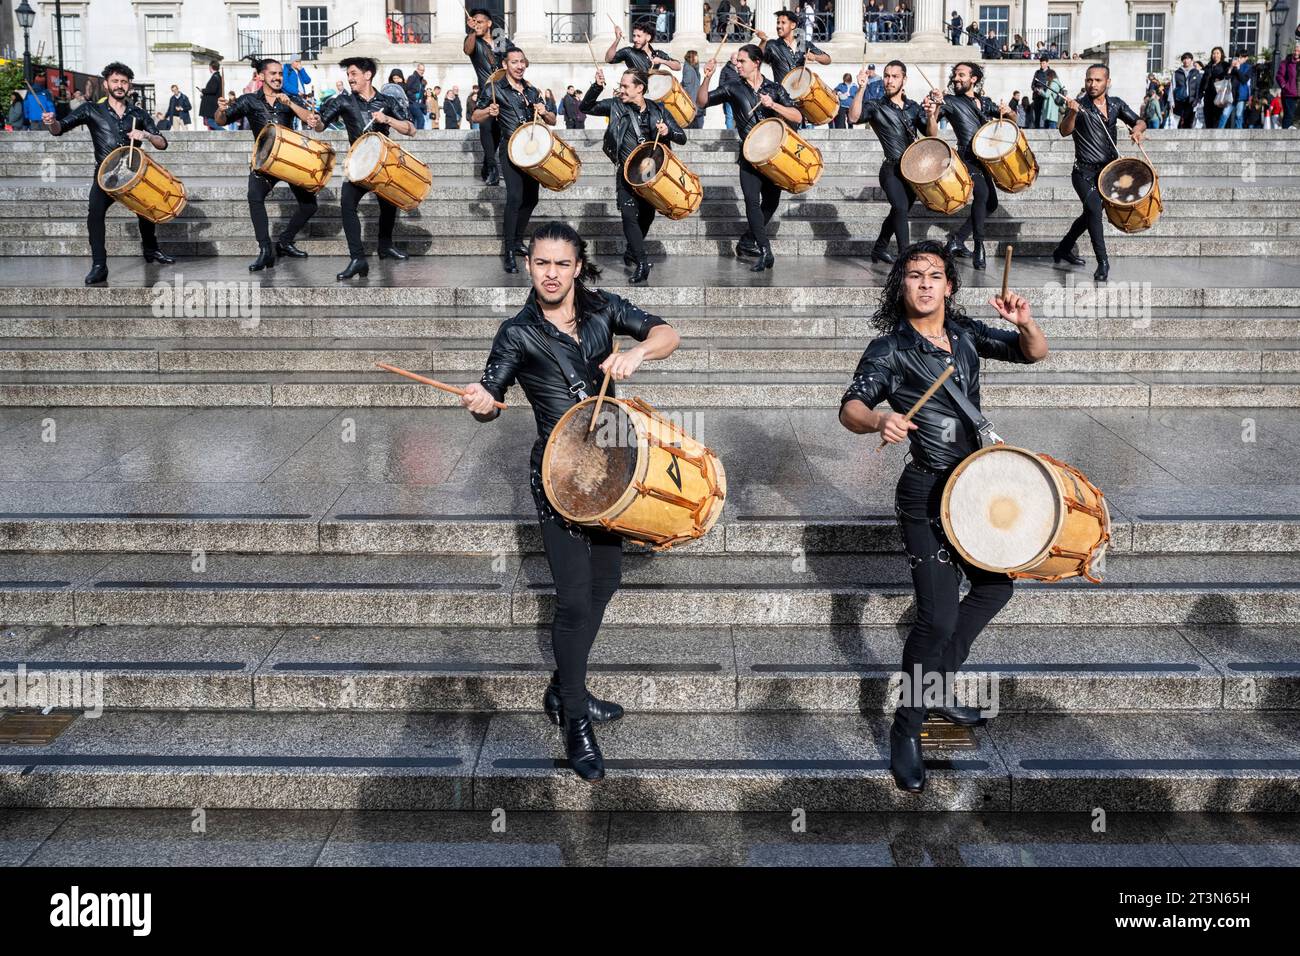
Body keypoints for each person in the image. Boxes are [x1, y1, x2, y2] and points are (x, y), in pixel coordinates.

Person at [460, 220, 681, 782]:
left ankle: (564, 687)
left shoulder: (604, 307)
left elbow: (667, 333)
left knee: (606, 583)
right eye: (541, 263)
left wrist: (639, 356)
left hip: (614, 468)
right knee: (575, 599)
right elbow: (491, 397)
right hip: (559, 476)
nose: (551, 273)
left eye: (561, 263)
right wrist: (481, 402)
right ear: (529, 266)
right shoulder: (516, 333)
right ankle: (576, 720)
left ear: (578, 266)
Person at [838, 239, 1047, 794]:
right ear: (900, 286)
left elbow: (1033, 353)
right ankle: (907, 730)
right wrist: (878, 419)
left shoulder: (966, 334)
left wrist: (1025, 323)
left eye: (935, 275)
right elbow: (850, 407)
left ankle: (931, 691)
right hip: (927, 494)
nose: (925, 283)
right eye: (914, 275)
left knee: (994, 588)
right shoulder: (888, 349)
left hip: (975, 487)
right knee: (936, 619)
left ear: (950, 286)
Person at [41, 61, 175, 285]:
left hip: (133, 175)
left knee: (147, 209)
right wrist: (52, 122)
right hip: (105, 176)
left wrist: (147, 136)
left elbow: (163, 143)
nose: (120, 85)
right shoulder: (91, 109)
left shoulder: (138, 113)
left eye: (124, 81)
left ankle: (151, 251)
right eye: (115, 81)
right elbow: (59, 130)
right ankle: (99, 265)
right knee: (94, 214)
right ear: (106, 85)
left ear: (129, 85)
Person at [695, 43, 804, 271]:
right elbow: (702, 101)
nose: (737, 65)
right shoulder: (733, 87)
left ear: (756, 63)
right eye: (737, 61)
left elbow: (797, 116)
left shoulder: (774, 88)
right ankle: (765, 251)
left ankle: (747, 241)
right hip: (749, 156)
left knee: (771, 202)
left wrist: (773, 104)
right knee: (752, 202)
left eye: (742, 61)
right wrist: (707, 77)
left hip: (775, 156)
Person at [311, 56, 417, 280]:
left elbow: (410, 129)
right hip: (358, 163)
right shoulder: (343, 101)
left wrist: (387, 119)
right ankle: (357, 258)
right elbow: (321, 126)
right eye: (348, 75)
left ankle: (385, 245)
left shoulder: (387, 101)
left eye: (353, 74)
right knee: (347, 204)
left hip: (383, 163)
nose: (350, 79)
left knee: (389, 204)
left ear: (367, 75)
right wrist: (315, 122)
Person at [215, 57, 322, 272]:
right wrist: (220, 109)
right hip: (264, 161)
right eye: (273, 74)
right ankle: (265, 250)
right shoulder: (248, 100)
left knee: (309, 205)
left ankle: (284, 241)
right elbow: (221, 120)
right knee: (254, 197)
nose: (278, 77)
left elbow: (314, 122)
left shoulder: (289, 98)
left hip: (289, 160)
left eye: (280, 74)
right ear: (261, 76)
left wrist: (290, 103)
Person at [581, 67, 687, 282]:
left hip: (653, 176)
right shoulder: (615, 106)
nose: (621, 89)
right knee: (629, 215)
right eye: (620, 85)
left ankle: (631, 250)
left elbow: (682, 137)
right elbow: (586, 107)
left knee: (646, 216)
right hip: (627, 173)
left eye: (625, 86)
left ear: (640, 88)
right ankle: (641, 262)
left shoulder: (659, 109)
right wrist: (596, 87)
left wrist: (668, 131)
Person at [1054, 63, 1146, 282]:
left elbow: (1139, 121)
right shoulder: (1080, 106)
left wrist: (1137, 131)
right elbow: (1064, 131)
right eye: (1088, 80)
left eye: (1097, 80)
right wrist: (1072, 113)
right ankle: (1103, 262)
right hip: (1083, 173)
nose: (1092, 84)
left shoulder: (1115, 105)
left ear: (1108, 82)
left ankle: (1063, 249)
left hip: (1109, 173)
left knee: (1089, 214)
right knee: (1095, 210)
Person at [471, 47, 557, 273]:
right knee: (515, 198)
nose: (519, 66)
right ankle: (509, 250)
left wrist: (544, 111)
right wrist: (489, 111)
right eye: (514, 62)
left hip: (533, 151)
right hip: (510, 149)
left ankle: (518, 240)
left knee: (532, 199)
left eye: (522, 62)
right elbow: (474, 116)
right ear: (505, 66)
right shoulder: (494, 89)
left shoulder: (532, 90)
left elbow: (552, 120)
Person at [927, 61, 1014, 269]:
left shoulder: (985, 102)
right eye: (955, 75)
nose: (956, 78)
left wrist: (1008, 111)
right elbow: (931, 132)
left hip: (987, 159)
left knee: (991, 204)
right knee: (982, 195)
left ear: (973, 79)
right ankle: (979, 246)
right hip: (967, 157)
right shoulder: (949, 101)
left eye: (961, 75)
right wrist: (935, 107)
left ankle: (956, 240)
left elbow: (1013, 120)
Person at [849, 60, 927, 262]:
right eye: (886, 76)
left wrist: (933, 113)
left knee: (897, 212)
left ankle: (879, 248)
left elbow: (931, 132)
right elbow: (853, 117)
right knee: (901, 208)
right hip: (891, 170)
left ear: (904, 80)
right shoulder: (876, 106)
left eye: (894, 76)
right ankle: (905, 258)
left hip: (913, 171)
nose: (889, 80)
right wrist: (861, 89)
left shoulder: (913, 107)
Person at [465, 8, 512, 185]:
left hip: (505, 90)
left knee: (498, 132)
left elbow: (518, 58)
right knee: (485, 126)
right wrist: (471, 31)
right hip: (487, 92)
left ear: (489, 23)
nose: (476, 24)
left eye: (479, 22)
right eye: (473, 22)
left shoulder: (500, 39)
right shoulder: (473, 41)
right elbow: (467, 50)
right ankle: (492, 168)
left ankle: (487, 165)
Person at [756, 8, 831, 88]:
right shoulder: (772, 45)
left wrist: (815, 57)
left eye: (783, 23)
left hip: (801, 95)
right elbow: (757, 58)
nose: (778, 26)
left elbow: (828, 59)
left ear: (793, 25)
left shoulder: (804, 44)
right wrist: (763, 41)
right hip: (782, 96)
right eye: (778, 23)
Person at [605, 18, 681, 72]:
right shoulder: (628, 52)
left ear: (648, 37)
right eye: (634, 36)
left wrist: (663, 61)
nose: (635, 39)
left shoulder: (657, 54)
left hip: (653, 93)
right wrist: (617, 39)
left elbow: (678, 67)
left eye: (639, 36)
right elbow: (608, 59)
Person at [1202, 46, 1231, 130]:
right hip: (1208, 93)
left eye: (1217, 53)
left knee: (1217, 115)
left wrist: (1220, 78)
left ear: (1221, 54)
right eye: (1213, 53)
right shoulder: (1208, 66)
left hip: (1219, 93)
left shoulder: (1225, 65)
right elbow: (1203, 80)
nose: (1215, 55)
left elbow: (1228, 77)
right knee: (1207, 114)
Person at [1170, 53, 1202, 129]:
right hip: (1179, 100)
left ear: (1191, 60)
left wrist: (1197, 99)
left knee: (1189, 121)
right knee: (1178, 121)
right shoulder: (1177, 73)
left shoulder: (1196, 72)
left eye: (1188, 59)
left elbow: (1198, 87)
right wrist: (1171, 101)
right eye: (1184, 59)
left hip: (1191, 101)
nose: (1186, 61)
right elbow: (1172, 87)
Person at [1227, 54, 1254, 129]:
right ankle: (1220, 129)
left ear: (1246, 58)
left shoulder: (1247, 67)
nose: (1239, 59)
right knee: (1225, 114)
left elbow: (1244, 80)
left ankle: (1239, 130)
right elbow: (1227, 78)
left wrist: (1238, 69)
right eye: (1238, 57)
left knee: (1239, 115)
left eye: (1241, 57)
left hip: (1241, 94)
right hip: (1231, 93)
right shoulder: (1233, 66)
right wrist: (1231, 67)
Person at [1277, 46, 1298, 130]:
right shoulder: (1286, 62)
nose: (1296, 52)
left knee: (1296, 117)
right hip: (1289, 93)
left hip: (1298, 92)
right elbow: (1279, 76)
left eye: (1298, 51)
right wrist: (1284, 86)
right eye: (1295, 50)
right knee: (1289, 115)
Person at [682, 50, 704, 128]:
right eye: (696, 56)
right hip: (693, 104)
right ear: (692, 57)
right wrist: (691, 103)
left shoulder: (692, 69)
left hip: (696, 103)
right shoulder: (688, 70)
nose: (698, 58)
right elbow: (687, 88)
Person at [199, 60, 223, 129]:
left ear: (211, 67)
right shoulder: (217, 76)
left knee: (210, 122)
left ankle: (224, 132)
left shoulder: (215, 77)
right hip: (212, 104)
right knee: (210, 123)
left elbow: (212, 90)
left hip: (211, 106)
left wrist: (203, 90)